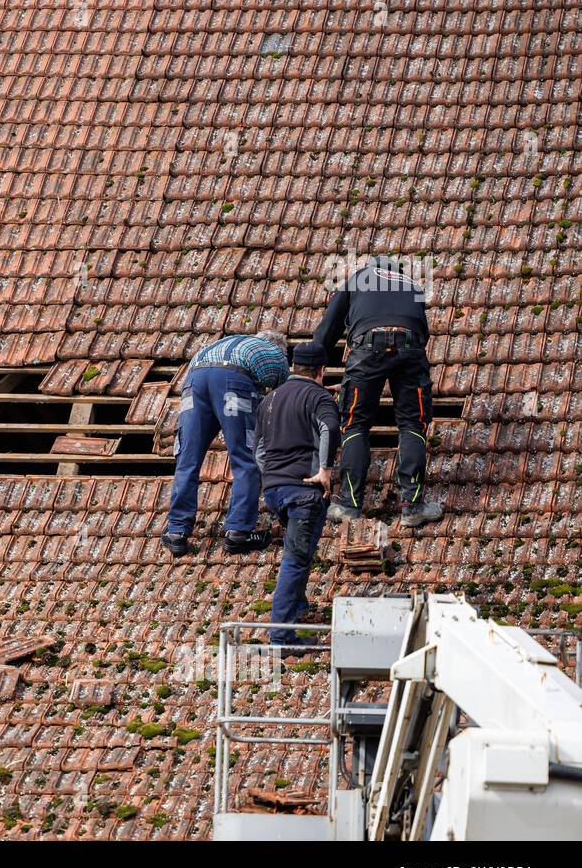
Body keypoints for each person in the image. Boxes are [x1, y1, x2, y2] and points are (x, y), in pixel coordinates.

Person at [312, 256, 443, 527]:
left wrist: (311, 371)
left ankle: (349, 505)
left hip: (367, 347)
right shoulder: (412, 285)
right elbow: (423, 331)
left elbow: (328, 329)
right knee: (412, 424)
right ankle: (413, 507)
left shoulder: (358, 279)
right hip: (410, 348)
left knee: (356, 424)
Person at [161, 329, 289, 558]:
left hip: (194, 380)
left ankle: (176, 532)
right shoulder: (276, 355)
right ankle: (239, 531)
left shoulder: (221, 343)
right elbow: (284, 400)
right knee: (245, 458)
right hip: (233, 381)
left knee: (188, 458)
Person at [254, 342, 341, 650]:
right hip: (303, 491)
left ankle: (299, 607)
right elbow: (330, 428)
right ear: (321, 371)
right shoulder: (319, 396)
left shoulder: (269, 400)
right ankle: (281, 635)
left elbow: (259, 450)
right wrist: (325, 471)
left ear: (292, 368)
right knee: (295, 560)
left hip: (275, 491)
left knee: (297, 554)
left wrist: (272, 478)